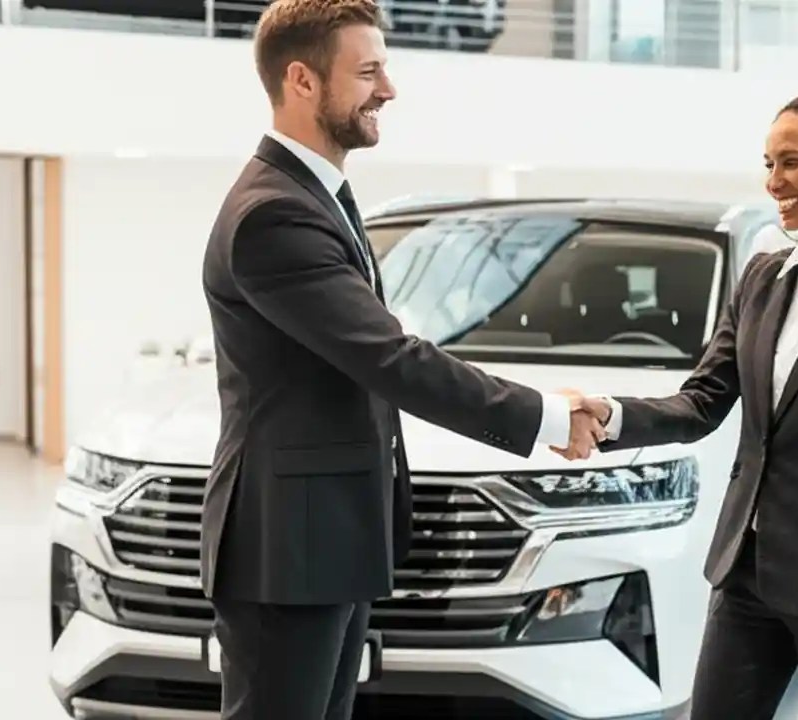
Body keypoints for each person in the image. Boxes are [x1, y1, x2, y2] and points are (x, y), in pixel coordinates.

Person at [198, 2, 604, 718]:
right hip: (286, 548)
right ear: (301, 80)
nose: (389, 89)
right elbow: (389, 358)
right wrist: (543, 416)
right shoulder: (274, 213)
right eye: (368, 70)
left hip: (323, 540)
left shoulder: (314, 198)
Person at [562, 91, 798, 720]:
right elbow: (702, 401)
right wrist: (611, 414)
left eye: (791, 162)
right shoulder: (763, 278)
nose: (774, 181)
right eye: (768, 163)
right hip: (746, 572)